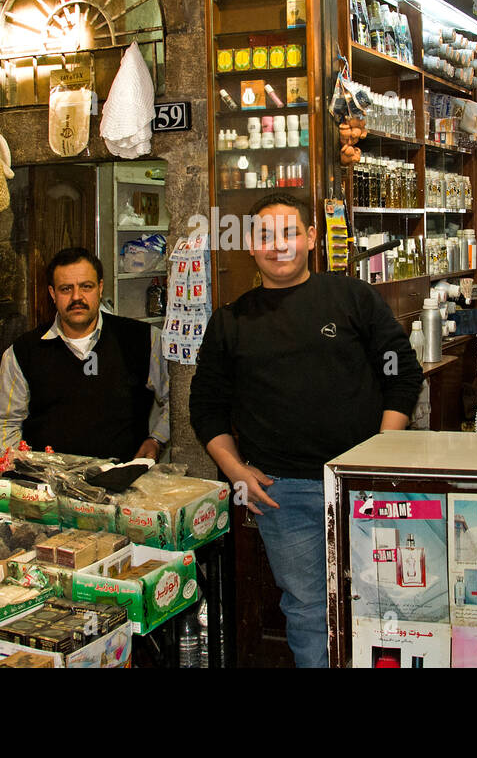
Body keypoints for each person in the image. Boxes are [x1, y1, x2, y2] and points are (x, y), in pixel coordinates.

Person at [190, 192, 423, 668]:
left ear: (312, 238)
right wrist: (235, 470)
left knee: (390, 602)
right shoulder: (231, 321)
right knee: (306, 609)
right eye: (266, 237)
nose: (280, 246)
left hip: (365, 484)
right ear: (250, 246)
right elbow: (206, 407)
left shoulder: (352, 298)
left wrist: (381, 451)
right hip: (284, 493)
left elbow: (402, 371)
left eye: (291, 233)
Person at [0, 247, 168, 462]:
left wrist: (156, 439)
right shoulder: (24, 352)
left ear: (100, 288)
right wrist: (23, 465)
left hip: (124, 482)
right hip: (49, 485)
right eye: (66, 289)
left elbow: (178, 399)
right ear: (53, 294)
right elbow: (2, 422)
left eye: (86, 287)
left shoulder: (143, 339)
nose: (76, 297)